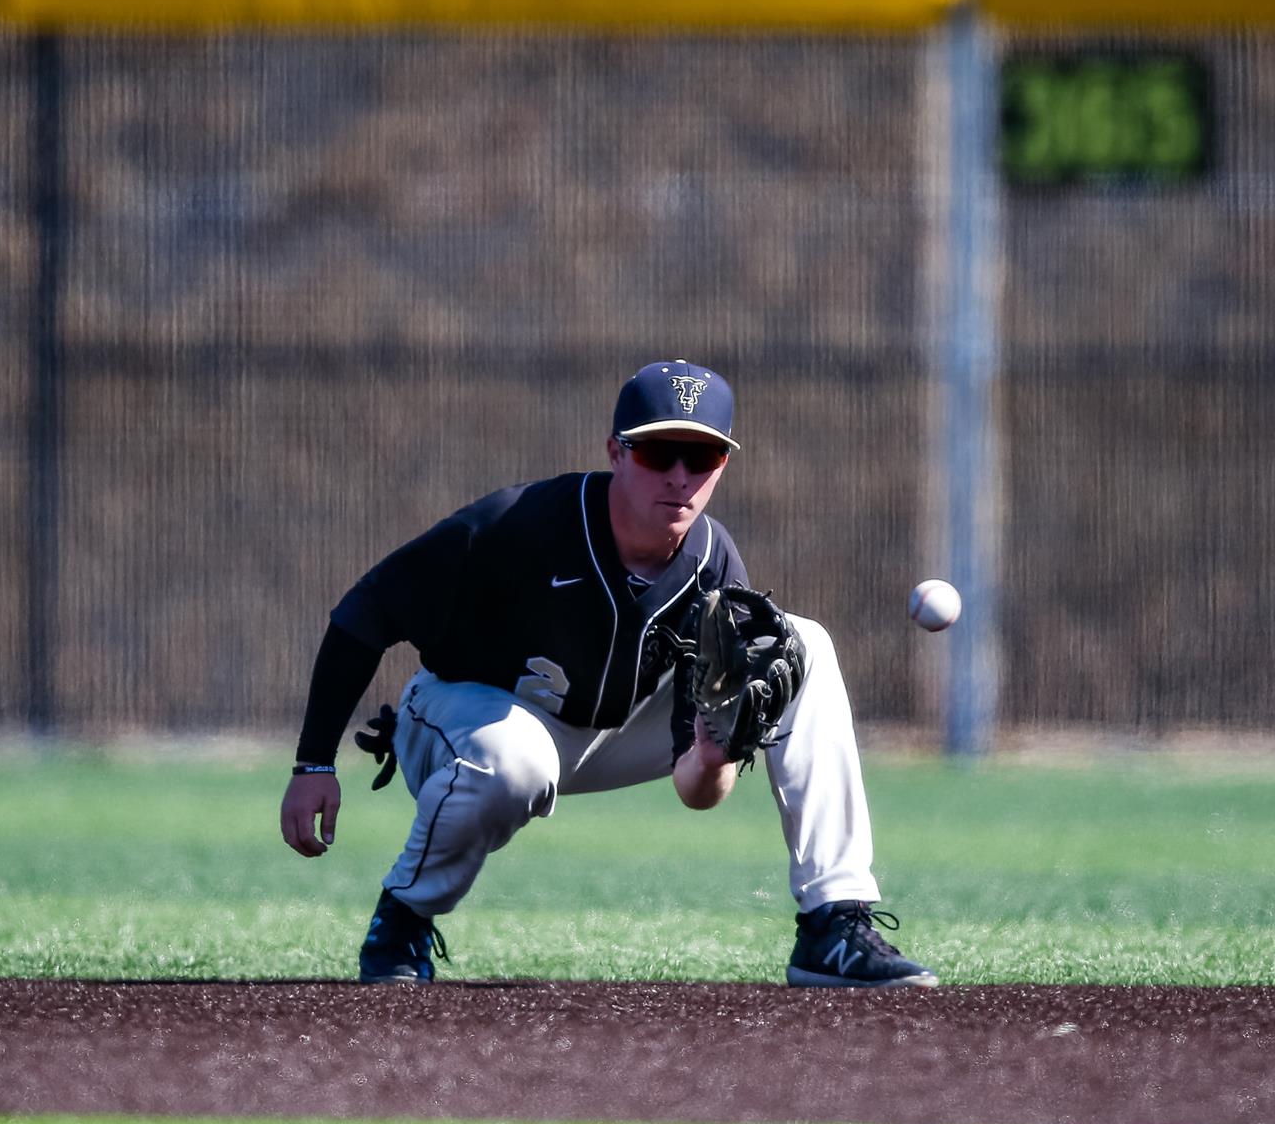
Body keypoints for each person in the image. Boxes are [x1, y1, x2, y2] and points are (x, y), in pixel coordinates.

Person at [279, 360, 937, 988]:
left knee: (806, 643)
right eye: (658, 452)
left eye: (701, 456)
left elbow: (697, 791)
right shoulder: (521, 524)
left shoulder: (712, 568)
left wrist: (713, 750)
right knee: (516, 758)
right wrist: (313, 764)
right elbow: (367, 608)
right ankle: (404, 919)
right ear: (616, 451)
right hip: (459, 718)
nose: (679, 476)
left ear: (723, 465)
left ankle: (833, 920)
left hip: (606, 733)